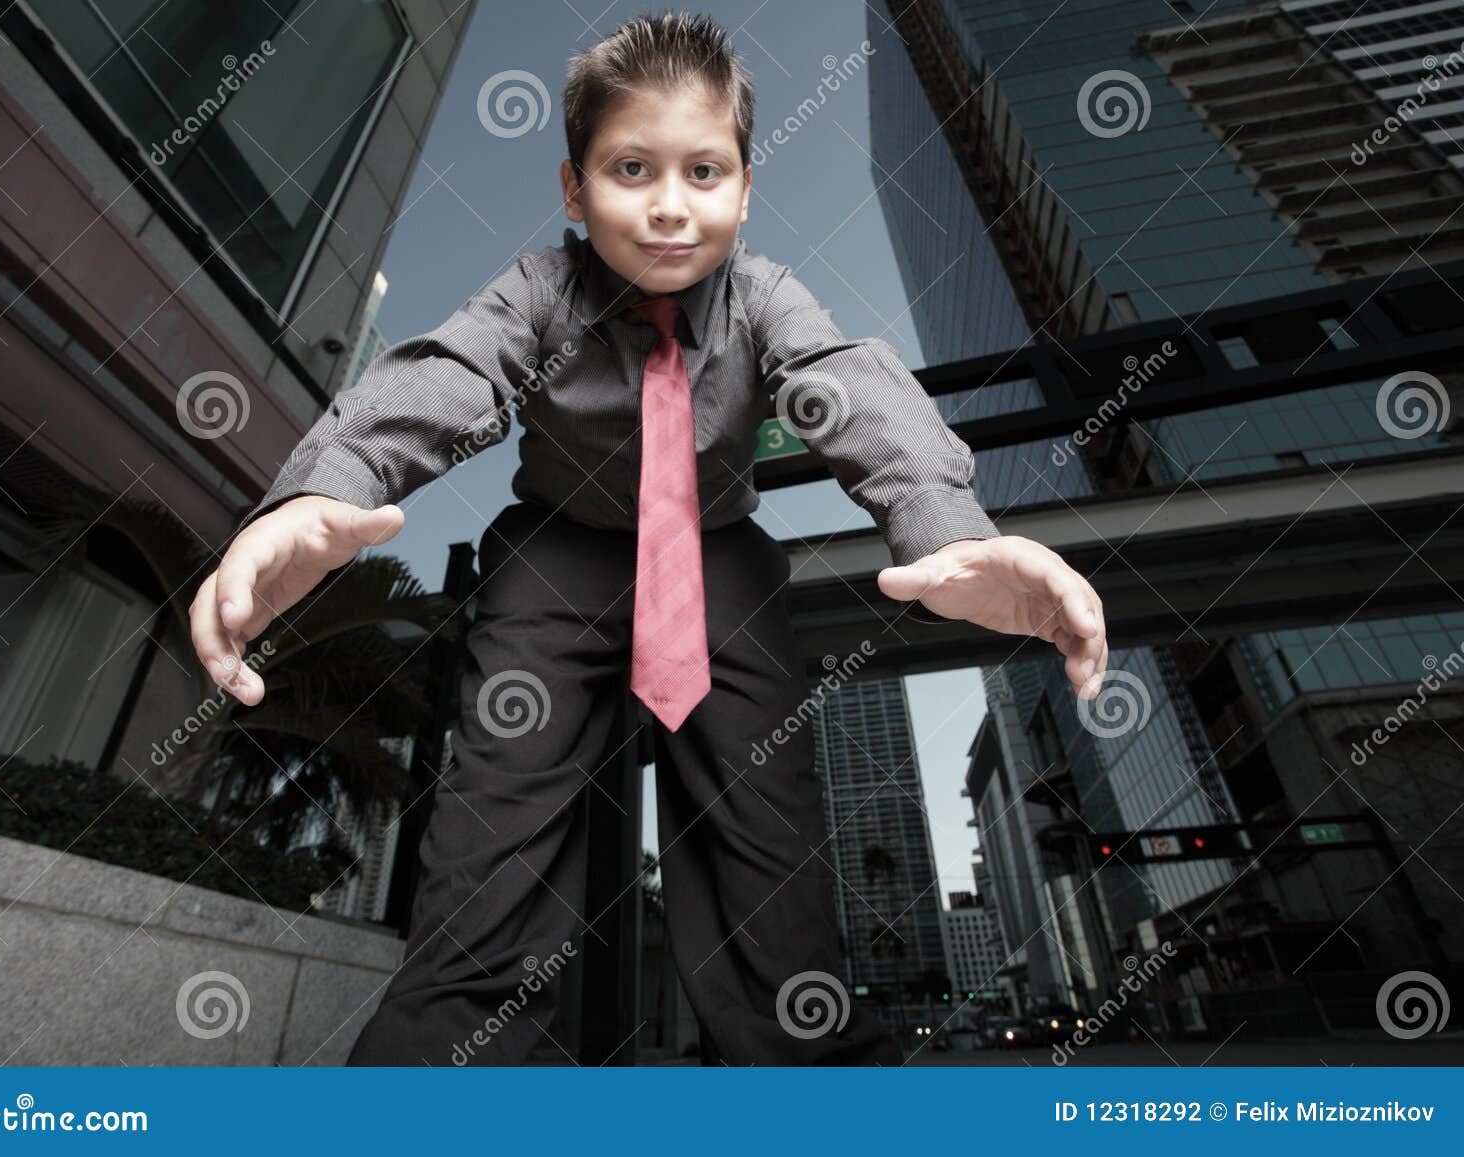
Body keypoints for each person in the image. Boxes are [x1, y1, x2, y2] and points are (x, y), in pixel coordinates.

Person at [187, 10, 1107, 1065]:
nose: (671, 207)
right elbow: (449, 373)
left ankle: (806, 1083)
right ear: (574, 193)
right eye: (631, 169)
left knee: (770, 856)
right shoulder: (540, 290)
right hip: (555, 561)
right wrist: (318, 497)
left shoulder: (761, 295)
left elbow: (843, 377)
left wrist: (943, 524)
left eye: (705, 172)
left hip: (719, 565)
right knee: (491, 845)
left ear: (746, 189)